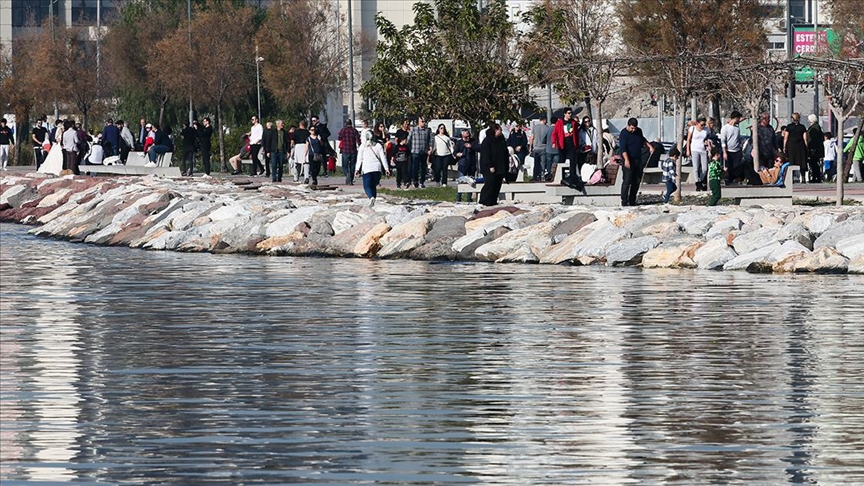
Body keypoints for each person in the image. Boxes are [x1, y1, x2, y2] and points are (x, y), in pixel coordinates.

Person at [618, 117, 653, 207]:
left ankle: (632, 200)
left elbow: (642, 139)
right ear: (628, 126)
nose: (633, 130)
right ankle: (624, 201)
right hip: (628, 159)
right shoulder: (624, 134)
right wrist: (626, 160)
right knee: (627, 181)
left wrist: (649, 146)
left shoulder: (638, 131)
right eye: (632, 128)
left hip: (638, 159)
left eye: (635, 128)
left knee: (636, 181)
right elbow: (623, 148)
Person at [355, 130, 390, 206]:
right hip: (377, 169)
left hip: (367, 169)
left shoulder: (363, 146)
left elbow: (359, 159)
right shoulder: (378, 145)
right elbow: (383, 158)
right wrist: (387, 169)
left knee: (367, 186)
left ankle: (371, 197)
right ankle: (373, 199)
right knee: (373, 185)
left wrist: (357, 169)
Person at [478, 124, 508, 206]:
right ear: (496, 130)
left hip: (499, 167)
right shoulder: (487, 141)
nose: (501, 132)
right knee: (490, 183)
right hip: (489, 168)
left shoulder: (501, 140)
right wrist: (490, 166)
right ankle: (484, 201)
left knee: (497, 184)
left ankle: (492, 201)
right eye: (500, 130)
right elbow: (486, 155)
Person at [551, 108, 580, 185]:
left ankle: (572, 177)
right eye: (568, 113)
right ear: (564, 114)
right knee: (561, 161)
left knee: (573, 161)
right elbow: (555, 133)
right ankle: (561, 177)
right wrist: (554, 142)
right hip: (562, 145)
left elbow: (576, 134)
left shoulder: (573, 122)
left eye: (571, 113)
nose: (570, 115)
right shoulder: (559, 122)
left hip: (571, 144)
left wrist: (577, 144)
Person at [407, 117, 432, 188]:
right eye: (422, 121)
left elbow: (430, 140)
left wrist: (430, 148)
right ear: (418, 122)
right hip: (415, 151)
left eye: (424, 121)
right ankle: (415, 181)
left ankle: (422, 182)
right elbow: (409, 140)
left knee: (423, 167)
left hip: (424, 151)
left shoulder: (427, 130)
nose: (423, 123)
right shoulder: (413, 130)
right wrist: (411, 149)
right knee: (415, 167)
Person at [720, 110, 744, 185]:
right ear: (736, 118)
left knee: (737, 168)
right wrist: (724, 152)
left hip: (737, 151)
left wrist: (741, 150)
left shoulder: (737, 129)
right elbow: (723, 141)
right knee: (728, 168)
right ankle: (728, 181)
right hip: (728, 151)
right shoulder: (725, 128)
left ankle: (735, 181)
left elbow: (738, 140)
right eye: (738, 119)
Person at [783, 112, 808, 182]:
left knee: (791, 161)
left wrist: (784, 147)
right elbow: (805, 138)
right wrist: (806, 146)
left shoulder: (789, 127)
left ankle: (791, 178)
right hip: (800, 146)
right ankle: (803, 177)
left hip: (791, 146)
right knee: (802, 161)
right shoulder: (802, 127)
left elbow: (786, 137)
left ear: (792, 119)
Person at [686, 115, 709, 191]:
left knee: (704, 168)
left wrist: (707, 143)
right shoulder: (692, 128)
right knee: (695, 167)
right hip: (694, 149)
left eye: (704, 124)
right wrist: (688, 150)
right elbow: (688, 140)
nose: (703, 126)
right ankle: (697, 182)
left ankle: (701, 179)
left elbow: (708, 138)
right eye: (702, 124)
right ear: (697, 123)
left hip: (703, 150)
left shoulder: (706, 130)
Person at [337, 119, 360, 185]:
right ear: (351, 123)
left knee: (344, 165)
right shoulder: (354, 131)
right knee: (352, 165)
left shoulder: (343, 130)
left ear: (345, 124)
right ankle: (351, 180)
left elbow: (339, 138)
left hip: (345, 150)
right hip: (353, 150)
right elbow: (358, 140)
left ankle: (347, 173)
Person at [806, 114, 824, 183]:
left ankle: (815, 177)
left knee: (814, 164)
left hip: (814, 149)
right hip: (817, 149)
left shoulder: (814, 128)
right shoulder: (817, 127)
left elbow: (813, 139)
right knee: (814, 164)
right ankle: (816, 177)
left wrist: (810, 146)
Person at [545, 117, 560, 181]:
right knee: (556, 164)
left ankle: (549, 175)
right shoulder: (559, 129)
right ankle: (556, 176)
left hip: (549, 149)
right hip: (557, 149)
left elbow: (544, 139)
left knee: (549, 164)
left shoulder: (548, 129)